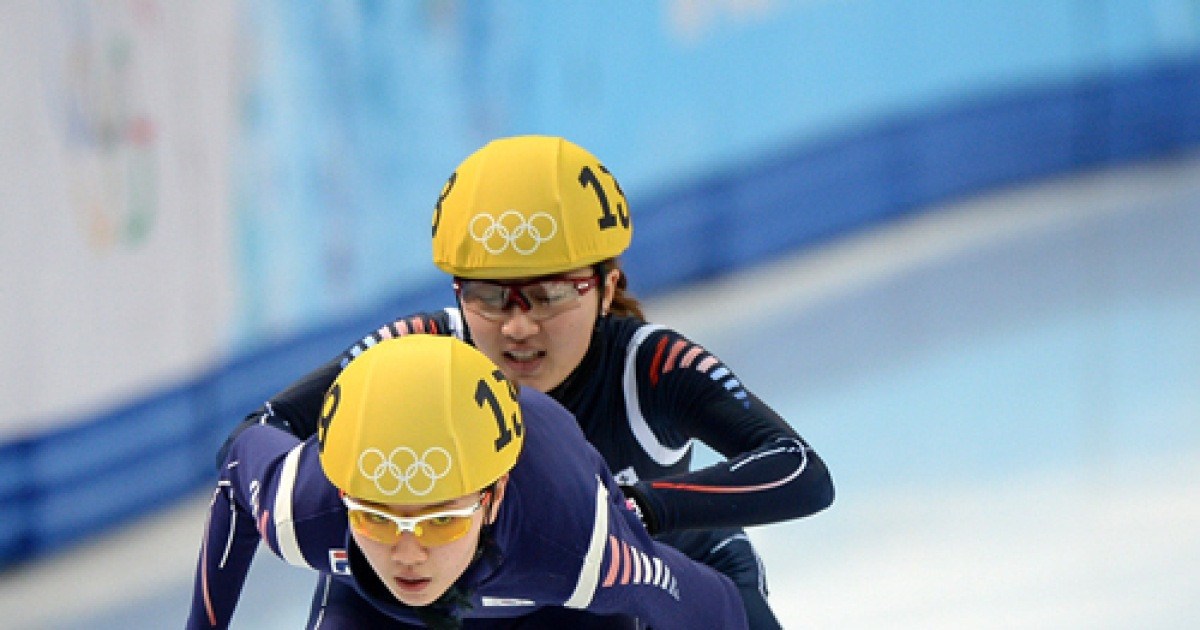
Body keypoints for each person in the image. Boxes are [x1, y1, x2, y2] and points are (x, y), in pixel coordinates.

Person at [226, 135, 835, 629]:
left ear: (606, 288)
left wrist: (647, 509)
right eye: (489, 297)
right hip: (446, 600)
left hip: (632, 581)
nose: (518, 327)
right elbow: (262, 432)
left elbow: (802, 470)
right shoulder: (414, 351)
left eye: (546, 296)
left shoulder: (648, 366)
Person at [187, 335, 749, 629]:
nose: (407, 552)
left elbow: (717, 608)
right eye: (375, 516)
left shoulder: (579, 546)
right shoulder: (304, 509)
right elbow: (239, 465)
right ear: (341, 496)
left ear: (493, 497)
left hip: (556, 617)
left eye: (440, 520)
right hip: (377, 614)